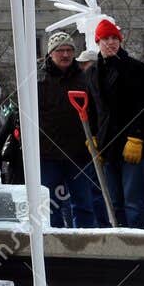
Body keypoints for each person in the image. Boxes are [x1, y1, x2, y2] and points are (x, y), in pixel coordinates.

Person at [89, 19, 144, 229]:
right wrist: (93, 136)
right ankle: (121, 242)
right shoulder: (92, 73)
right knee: (114, 203)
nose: (111, 42)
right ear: (97, 42)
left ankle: (140, 243)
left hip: (134, 144)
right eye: (105, 38)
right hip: (107, 146)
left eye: (114, 38)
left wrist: (136, 136)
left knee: (134, 202)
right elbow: (92, 110)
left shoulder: (136, 68)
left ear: (120, 41)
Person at [38, 30, 99, 228]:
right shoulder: (39, 80)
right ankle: (54, 240)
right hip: (48, 154)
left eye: (69, 50)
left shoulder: (83, 79)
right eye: (60, 50)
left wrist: (94, 137)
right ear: (50, 53)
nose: (65, 54)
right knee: (50, 206)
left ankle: (85, 241)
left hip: (78, 154)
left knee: (83, 203)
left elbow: (95, 111)